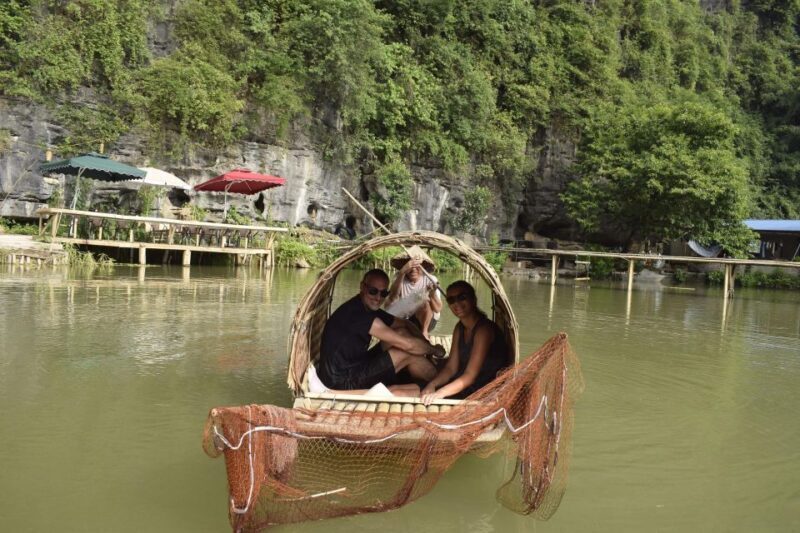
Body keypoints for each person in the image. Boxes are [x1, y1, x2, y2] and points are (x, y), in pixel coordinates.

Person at [316, 269, 444, 394]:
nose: (378, 298)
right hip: (341, 381)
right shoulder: (358, 315)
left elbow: (405, 323)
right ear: (362, 287)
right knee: (405, 351)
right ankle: (439, 382)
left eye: (383, 293)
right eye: (373, 291)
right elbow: (408, 345)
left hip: (355, 364)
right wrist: (434, 349)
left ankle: (432, 376)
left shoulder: (366, 307)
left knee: (401, 332)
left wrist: (425, 344)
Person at [420, 280, 508, 404]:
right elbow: (451, 368)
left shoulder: (484, 330)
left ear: (473, 299)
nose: (457, 304)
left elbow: (470, 376)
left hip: (478, 391)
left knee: (405, 393)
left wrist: (439, 393)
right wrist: (432, 384)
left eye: (462, 297)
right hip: (460, 383)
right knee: (406, 389)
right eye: (451, 300)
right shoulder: (460, 327)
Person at [385, 247, 443, 340]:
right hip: (407, 318)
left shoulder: (431, 279)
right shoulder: (399, 277)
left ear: (423, 266)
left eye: (417, 266)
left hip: (427, 320)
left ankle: (424, 332)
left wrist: (432, 293)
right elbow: (392, 297)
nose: (413, 269)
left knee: (424, 301)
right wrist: (402, 272)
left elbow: (438, 309)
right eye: (411, 265)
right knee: (389, 304)